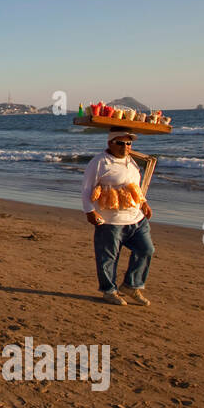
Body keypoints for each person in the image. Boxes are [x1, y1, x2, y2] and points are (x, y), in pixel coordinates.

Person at [82, 130, 155, 306]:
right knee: (108, 257)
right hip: (110, 221)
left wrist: (144, 203)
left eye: (128, 143)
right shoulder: (99, 162)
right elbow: (86, 188)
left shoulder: (131, 161)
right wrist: (90, 211)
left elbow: (134, 186)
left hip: (135, 218)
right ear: (110, 143)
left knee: (146, 250)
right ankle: (109, 290)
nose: (126, 147)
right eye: (120, 143)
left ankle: (131, 285)